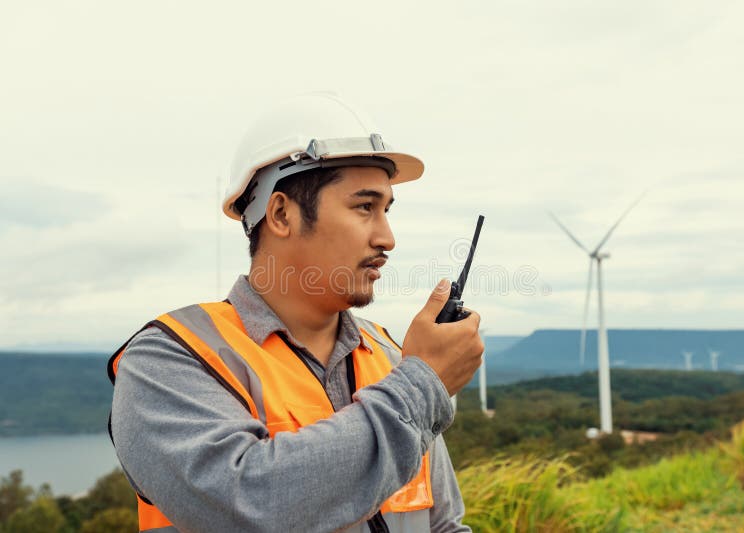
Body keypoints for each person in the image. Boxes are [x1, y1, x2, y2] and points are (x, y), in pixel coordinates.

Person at [108, 94, 484, 533]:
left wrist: (416, 380)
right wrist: (422, 386)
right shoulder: (168, 359)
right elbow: (250, 504)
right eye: (365, 207)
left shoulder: (391, 357)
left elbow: (442, 525)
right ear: (282, 214)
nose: (387, 238)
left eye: (386, 210)